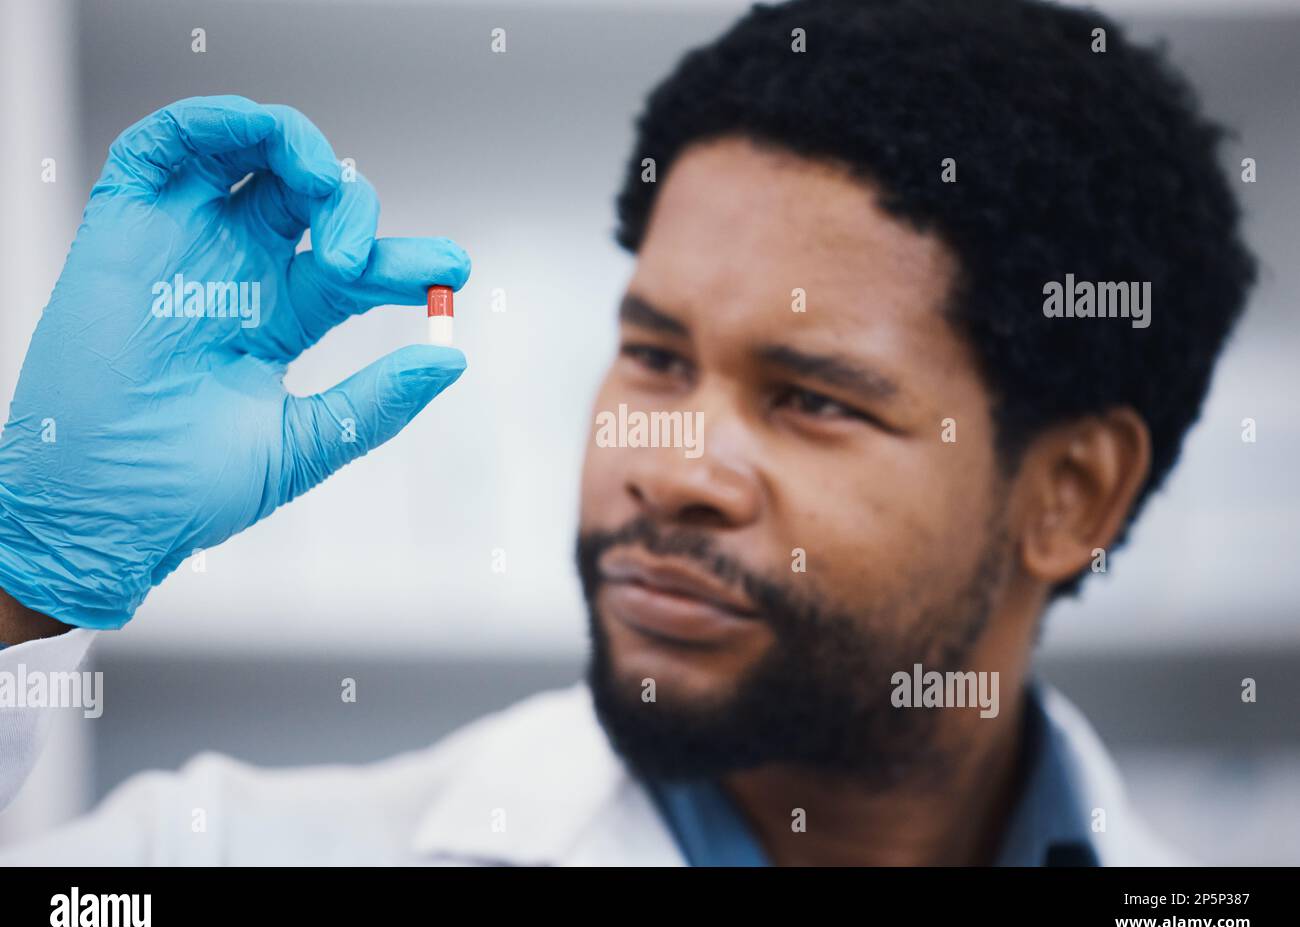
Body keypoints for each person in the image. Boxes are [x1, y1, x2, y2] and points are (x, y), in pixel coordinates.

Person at [0, 0, 1255, 865]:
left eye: (812, 398)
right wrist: (27, 584)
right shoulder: (211, 856)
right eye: (654, 356)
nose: (664, 469)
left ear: (1070, 497)